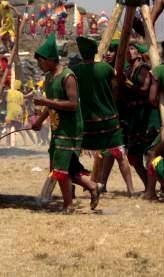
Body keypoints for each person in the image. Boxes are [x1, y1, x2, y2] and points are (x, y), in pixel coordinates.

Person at [30, 33, 101, 212]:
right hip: (57, 128)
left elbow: (72, 104)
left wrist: (45, 102)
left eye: (41, 61)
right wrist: (39, 121)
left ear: (50, 60)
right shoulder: (49, 78)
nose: (39, 65)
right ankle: (93, 187)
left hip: (70, 130)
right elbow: (52, 104)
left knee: (61, 168)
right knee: (63, 167)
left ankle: (69, 205)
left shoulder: (68, 76)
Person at [72, 37, 135, 196]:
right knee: (121, 156)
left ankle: (71, 191)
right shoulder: (106, 68)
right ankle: (131, 190)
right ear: (95, 53)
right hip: (109, 120)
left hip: (86, 123)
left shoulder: (74, 71)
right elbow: (115, 88)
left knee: (71, 155)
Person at [121, 42, 156, 188]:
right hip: (133, 117)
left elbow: (144, 89)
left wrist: (127, 83)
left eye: (132, 48)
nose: (129, 51)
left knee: (152, 153)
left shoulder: (145, 69)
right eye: (127, 48)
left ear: (139, 53)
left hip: (146, 115)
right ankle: (148, 185)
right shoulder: (127, 70)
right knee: (133, 157)